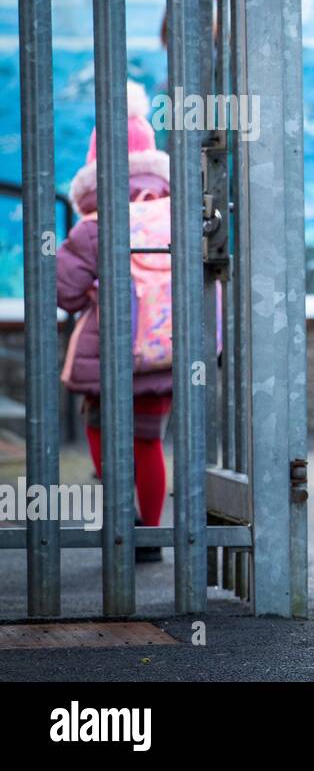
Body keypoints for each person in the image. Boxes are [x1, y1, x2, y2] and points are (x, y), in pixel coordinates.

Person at [57, 80, 172, 562]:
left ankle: (120, 520)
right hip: (165, 352)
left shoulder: (94, 226)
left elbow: (62, 290)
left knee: (104, 432)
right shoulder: (174, 215)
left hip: (109, 357)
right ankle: (151, 537)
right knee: (149, 442)